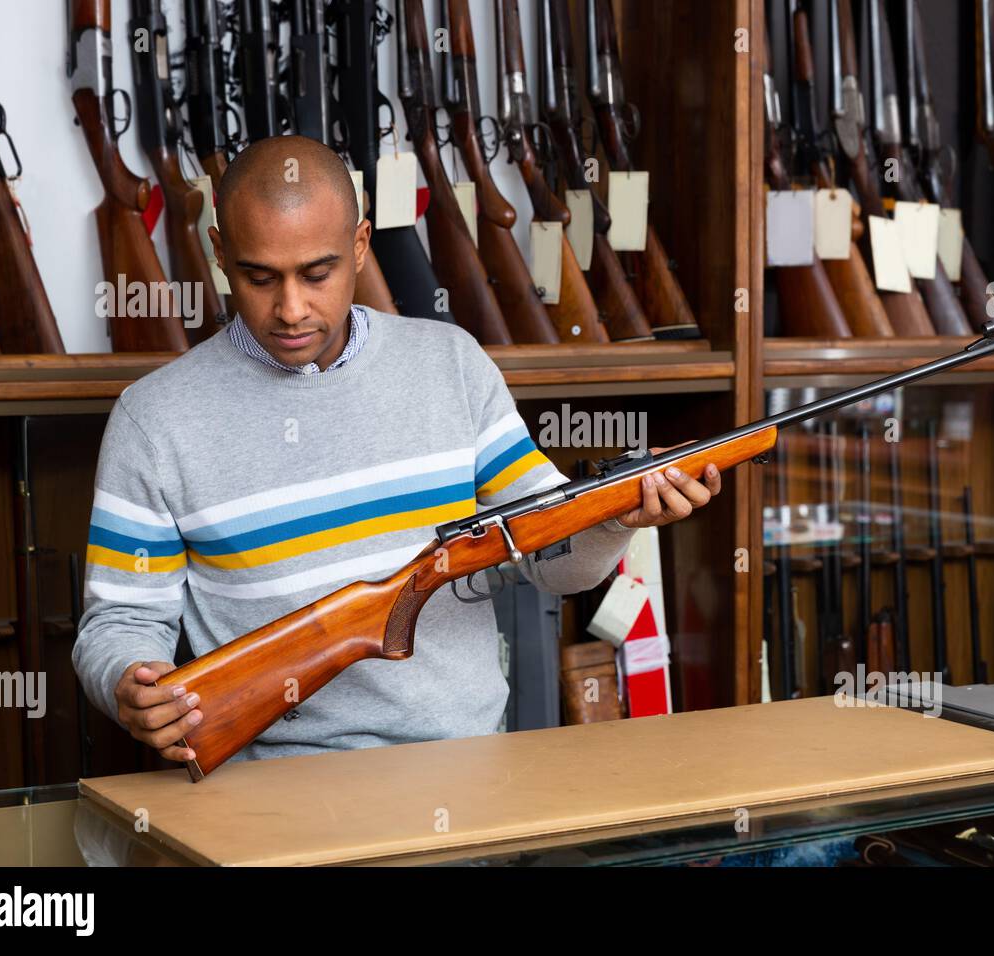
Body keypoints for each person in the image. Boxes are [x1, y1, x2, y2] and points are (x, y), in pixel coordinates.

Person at [72, 135, 721, 766]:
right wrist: (131, 680)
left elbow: (549, 557)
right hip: (266, 792)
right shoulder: (154, 419)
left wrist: (615, 517)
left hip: (468, 773)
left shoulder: (451, 365)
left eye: (316, 273)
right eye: (259, 276)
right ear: (218, 253)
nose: (291, 308)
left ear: (359, 247)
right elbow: (120, 621)